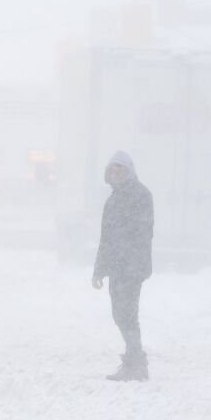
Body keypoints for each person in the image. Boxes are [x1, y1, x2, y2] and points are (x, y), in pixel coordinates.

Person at [92, 151, 154, 382]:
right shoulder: (113, 200)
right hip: (117, 267)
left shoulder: (141, 195)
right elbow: (106, 238)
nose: (115, 174)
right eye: (112, 170)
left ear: (129, 171)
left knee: (127, 314)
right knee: (119, 315)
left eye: (120, 170)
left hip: (132, 268)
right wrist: (99, 270)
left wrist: (131, 262)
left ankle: (136, 363)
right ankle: (134, 360)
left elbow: (143, 233)